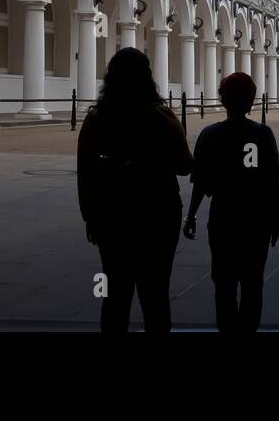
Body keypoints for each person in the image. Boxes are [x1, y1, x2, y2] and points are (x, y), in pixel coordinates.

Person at [77, 47, 194, 333]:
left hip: (112, 215)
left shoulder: (97, 119)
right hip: (158, 213)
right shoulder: (161, 117)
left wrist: (90, 217)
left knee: (115, 294)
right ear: (147, 76)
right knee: (155, 296)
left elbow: (86, 174)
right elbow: (185, 166)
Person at [184, 71, 279, 332]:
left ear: (222, 100)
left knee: (224, 285)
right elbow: (276, 178)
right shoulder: (263, 134)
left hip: (223, 216)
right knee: (253, 285)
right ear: (251, 100)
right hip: (256, 218)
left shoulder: (209, 135)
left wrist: (191, 215)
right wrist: (277, 218)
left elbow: (200, 181)